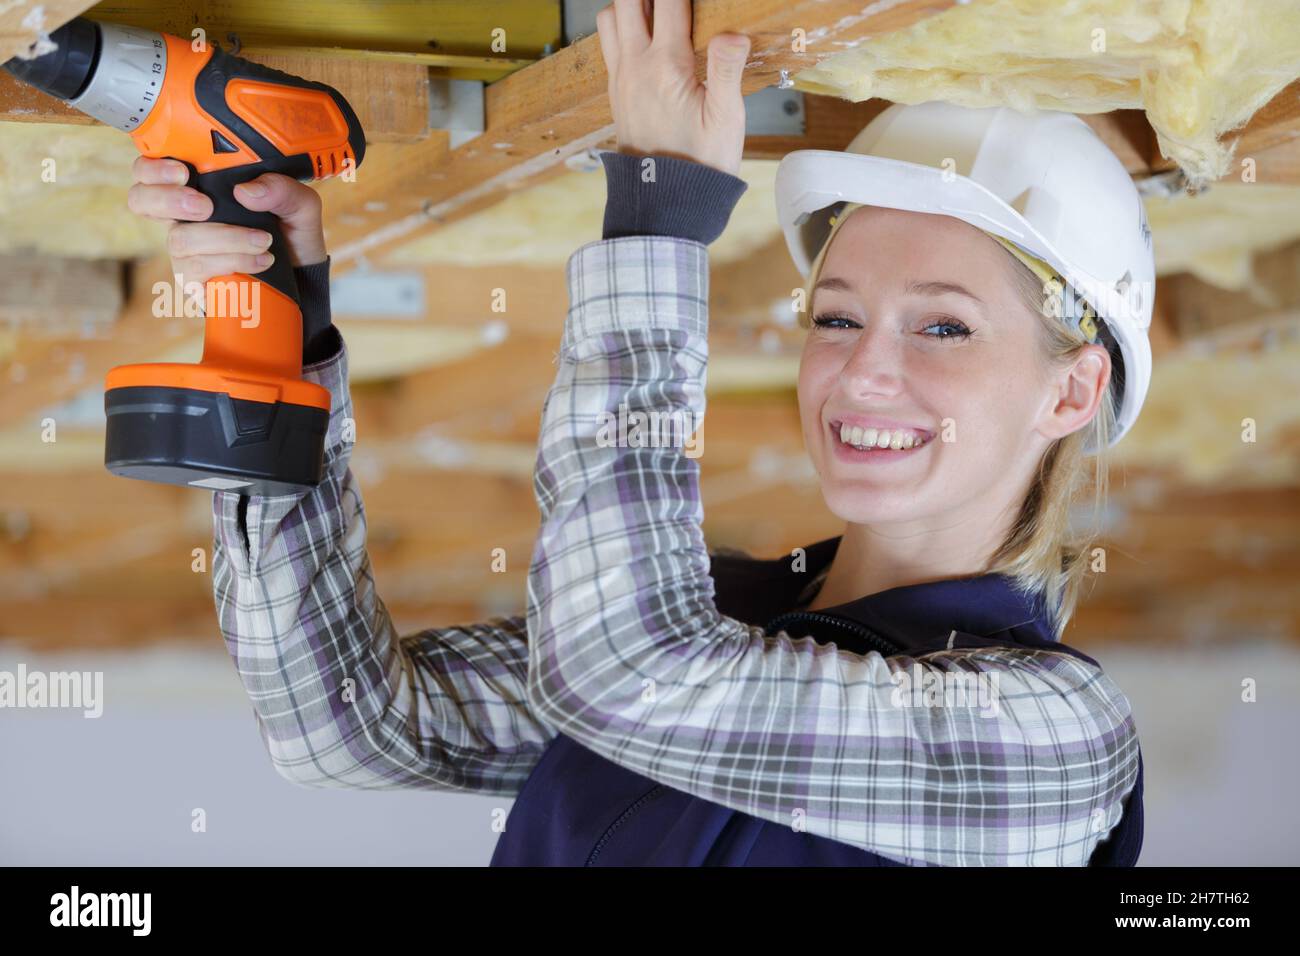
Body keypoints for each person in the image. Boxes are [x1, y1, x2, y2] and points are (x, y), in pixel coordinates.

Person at [124, 0, 1144, 866]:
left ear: (1071, 390)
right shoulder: (724, 619)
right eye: (835, 316)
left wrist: (660, 221)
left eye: (942, 325)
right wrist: (282, 335)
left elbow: (629, 669)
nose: (862, 370)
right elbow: (344, 723)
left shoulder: (1052, 748)